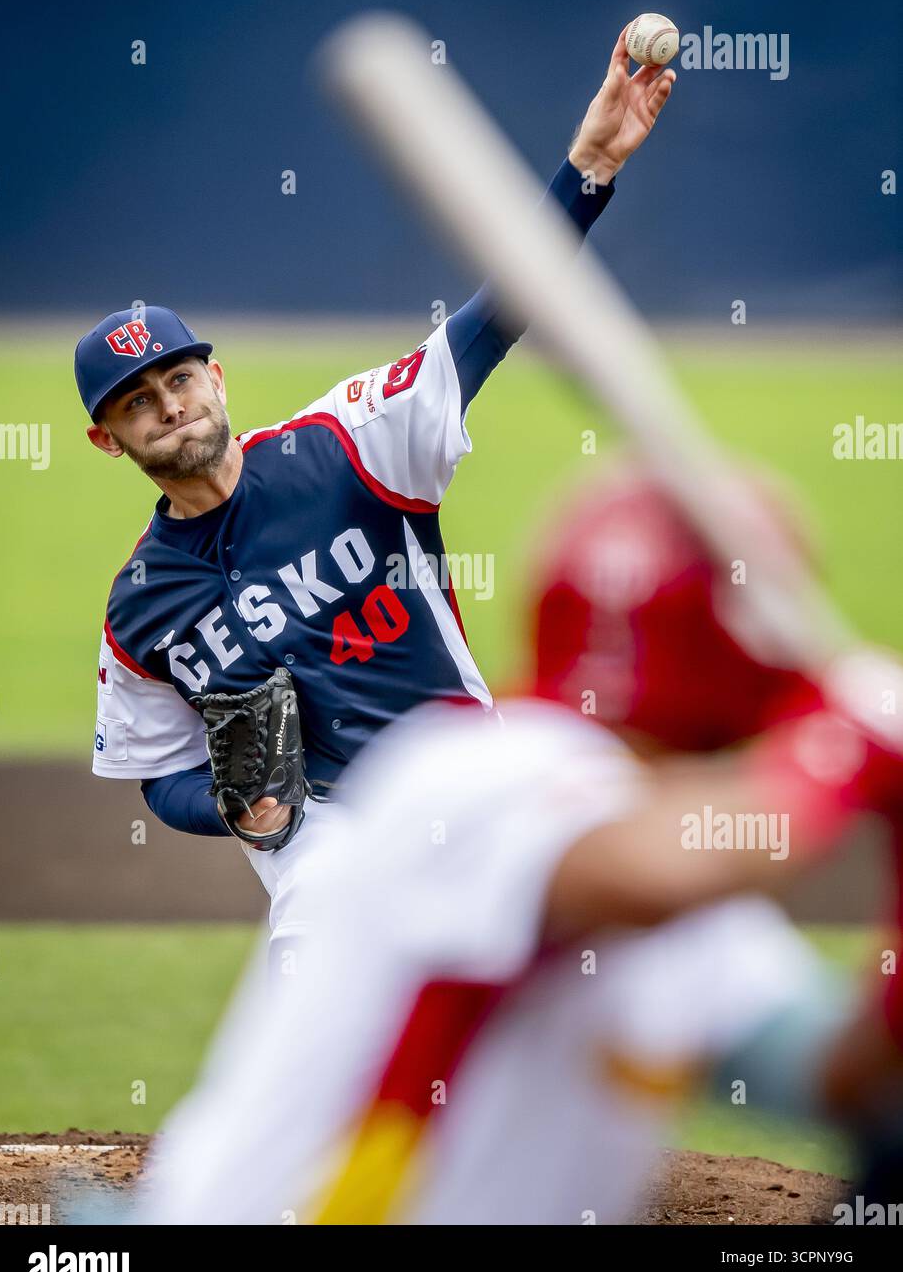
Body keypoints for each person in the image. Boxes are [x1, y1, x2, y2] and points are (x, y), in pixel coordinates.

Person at [135, 471, 903, 1225]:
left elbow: (848, 1081)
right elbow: (647, 875)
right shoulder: (474, 774)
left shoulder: (693, 908)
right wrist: (840, 749)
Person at [76, 29, 676, 953]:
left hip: (466, 774)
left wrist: (589, 167)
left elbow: (491, 323)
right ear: (106, 440)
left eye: (179, 379)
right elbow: (159, 776)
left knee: (618, 929)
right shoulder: (138, 613)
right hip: (325, 831)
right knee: (315, 943)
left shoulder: (346, 441)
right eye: (138, 403)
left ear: (217, 379)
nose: (170, 407)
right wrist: (236, 800)